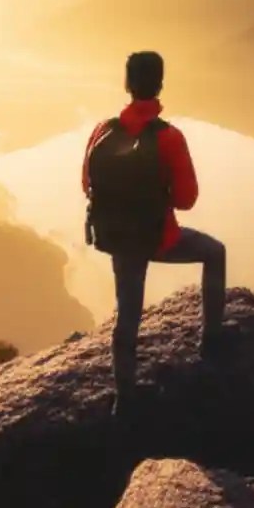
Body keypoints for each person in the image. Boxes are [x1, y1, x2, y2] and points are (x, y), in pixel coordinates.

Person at [81, 50, 227, 418]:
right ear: (160, 85)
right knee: (214, 253)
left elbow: (87, 185)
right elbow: (187, 199)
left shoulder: (102, 131)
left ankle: (124, 399)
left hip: (118, 240)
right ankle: (212, 342)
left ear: (127, 84)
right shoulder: (168, 137)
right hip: (159, 238)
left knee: (127, 316)